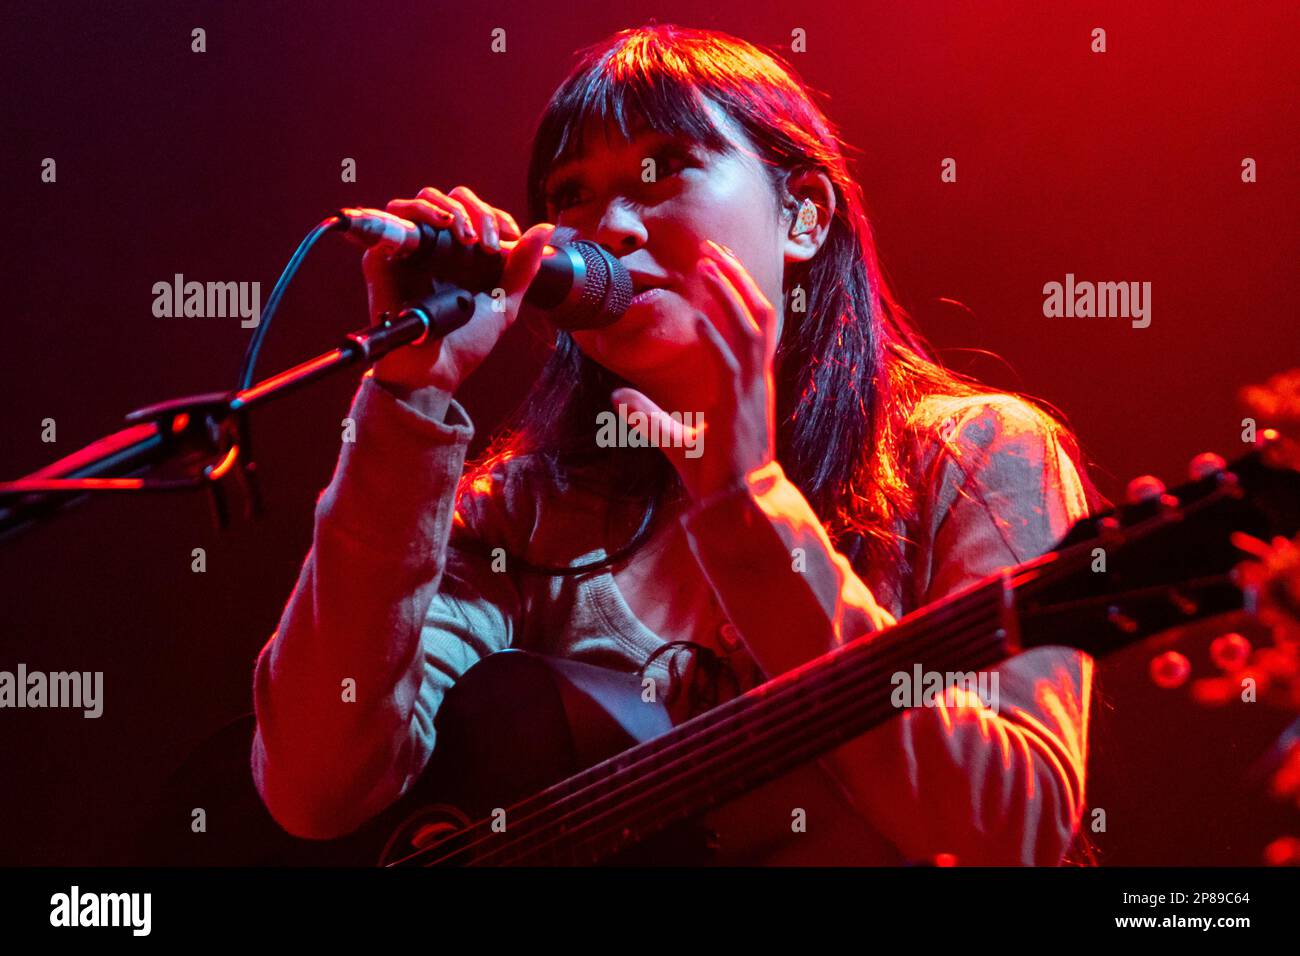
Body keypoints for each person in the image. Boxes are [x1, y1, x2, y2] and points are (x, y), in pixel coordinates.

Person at [250, 23, 1105, 865]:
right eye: (569, 197)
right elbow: (316, 788)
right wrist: (406, 400)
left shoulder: (975, 456)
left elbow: (1009, 830)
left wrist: (749, 505)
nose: (608, 228)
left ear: (803, 215)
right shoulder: (524, 511)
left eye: (661, 171)